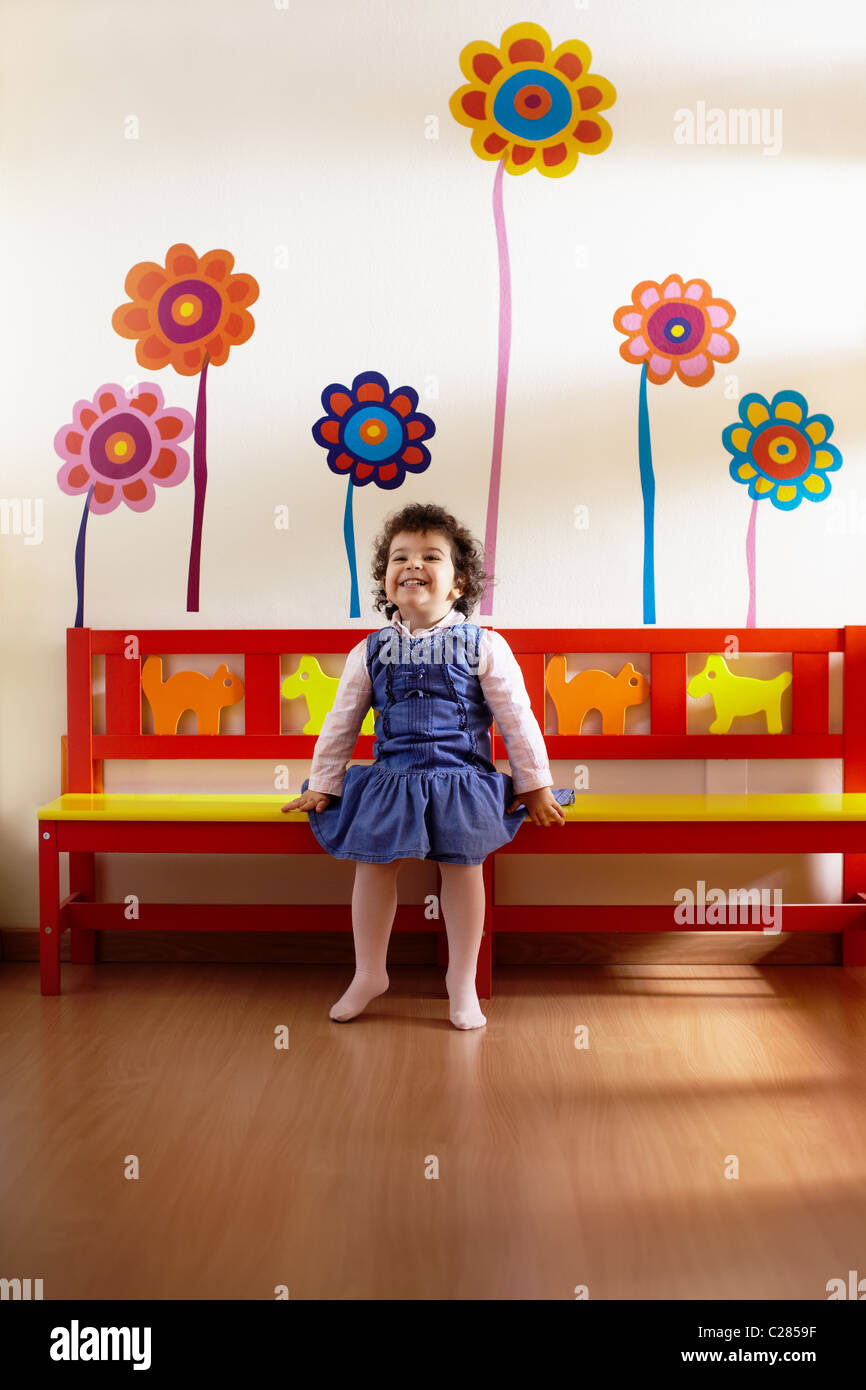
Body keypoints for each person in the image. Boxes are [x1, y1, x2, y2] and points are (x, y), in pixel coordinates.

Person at [281, 502, 574, 1029]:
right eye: (400, 557)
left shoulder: (484, 644)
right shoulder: (368, 652)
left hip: (462, 781)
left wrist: (534, 785)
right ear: (385, 580)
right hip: (392, 781)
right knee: (372, 863)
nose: (412, 563)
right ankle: (369, 971)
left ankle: (460, 982)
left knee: (462, 865)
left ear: (457, 583)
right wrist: (324, 783)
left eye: (430, 556)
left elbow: (518, 718)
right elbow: (341, 720)